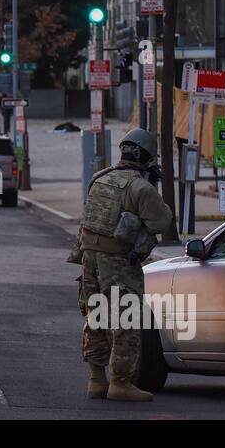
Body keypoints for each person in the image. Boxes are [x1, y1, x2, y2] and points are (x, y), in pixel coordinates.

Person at [74, 128, 173, 402]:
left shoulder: (99, 178)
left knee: (96, 318)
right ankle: (120, 382)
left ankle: (96, 379)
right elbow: (162, 221)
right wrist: (152, 188)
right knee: (126, 322)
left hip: (89, 260)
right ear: (147, 157)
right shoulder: (139, 187)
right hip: (118, 262)